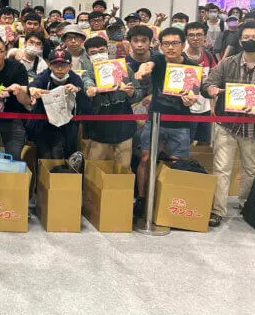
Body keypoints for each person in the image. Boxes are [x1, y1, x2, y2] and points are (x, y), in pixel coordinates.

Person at [201, 21, 255, 227]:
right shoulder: (228, 63)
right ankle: (218, 210)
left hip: (254, 127)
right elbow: (208, 83)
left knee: (250, 169)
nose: (250, 41)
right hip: (227, 125)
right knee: (221, 168)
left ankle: (246, 204)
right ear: (240, 41)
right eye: (246, 37)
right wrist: (211, 90)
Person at [134, 27, 199, 216]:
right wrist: (143, 69)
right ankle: (142, 199)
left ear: (183, 45)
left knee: (178, 163)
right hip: (155, 120)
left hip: (180, 123)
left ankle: (172, 202)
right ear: (161, 46)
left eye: (175, 43)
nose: (170, 47)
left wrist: (191, 99)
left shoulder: (192, 67)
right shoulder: (158, 59)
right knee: (145, 158)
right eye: (166, 44)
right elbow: (148, 65)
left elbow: (195, 93)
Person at [81, 36, 140, 168]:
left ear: (108, 51)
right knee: (94, 168)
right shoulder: (88, 74)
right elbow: (88, 88)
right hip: (99, 130)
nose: (98, 55)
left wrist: (132, 93)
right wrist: (93, 90)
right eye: (93, 53)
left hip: (124, 128)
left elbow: (138, 92)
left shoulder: (124, 69)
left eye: (101, 51)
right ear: (88, 56)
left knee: (123, 168)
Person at [27, 49, 91, 159]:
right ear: (50, 66)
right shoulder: (45, 76)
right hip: (43, 124)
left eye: (64, 65)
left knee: (59, 154)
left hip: (65, 126)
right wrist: (33, 89)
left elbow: (85, 103)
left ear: (70, 66)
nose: (60, 69)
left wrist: (77, 90)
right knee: (44, 156)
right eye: (56, 65)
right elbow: (35, 83)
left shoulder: (75, 78)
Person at [184, 21, 217, 145]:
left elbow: (214, 82)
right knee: (185, 144)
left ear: (205, 37)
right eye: (191, 35)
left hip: (205, 108)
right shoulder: (180, 58)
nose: (195, 38)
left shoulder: (209, 56)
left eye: (199, 35)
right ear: (186, 37)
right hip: (186, 109)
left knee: (204, 144)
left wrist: (213, 106)